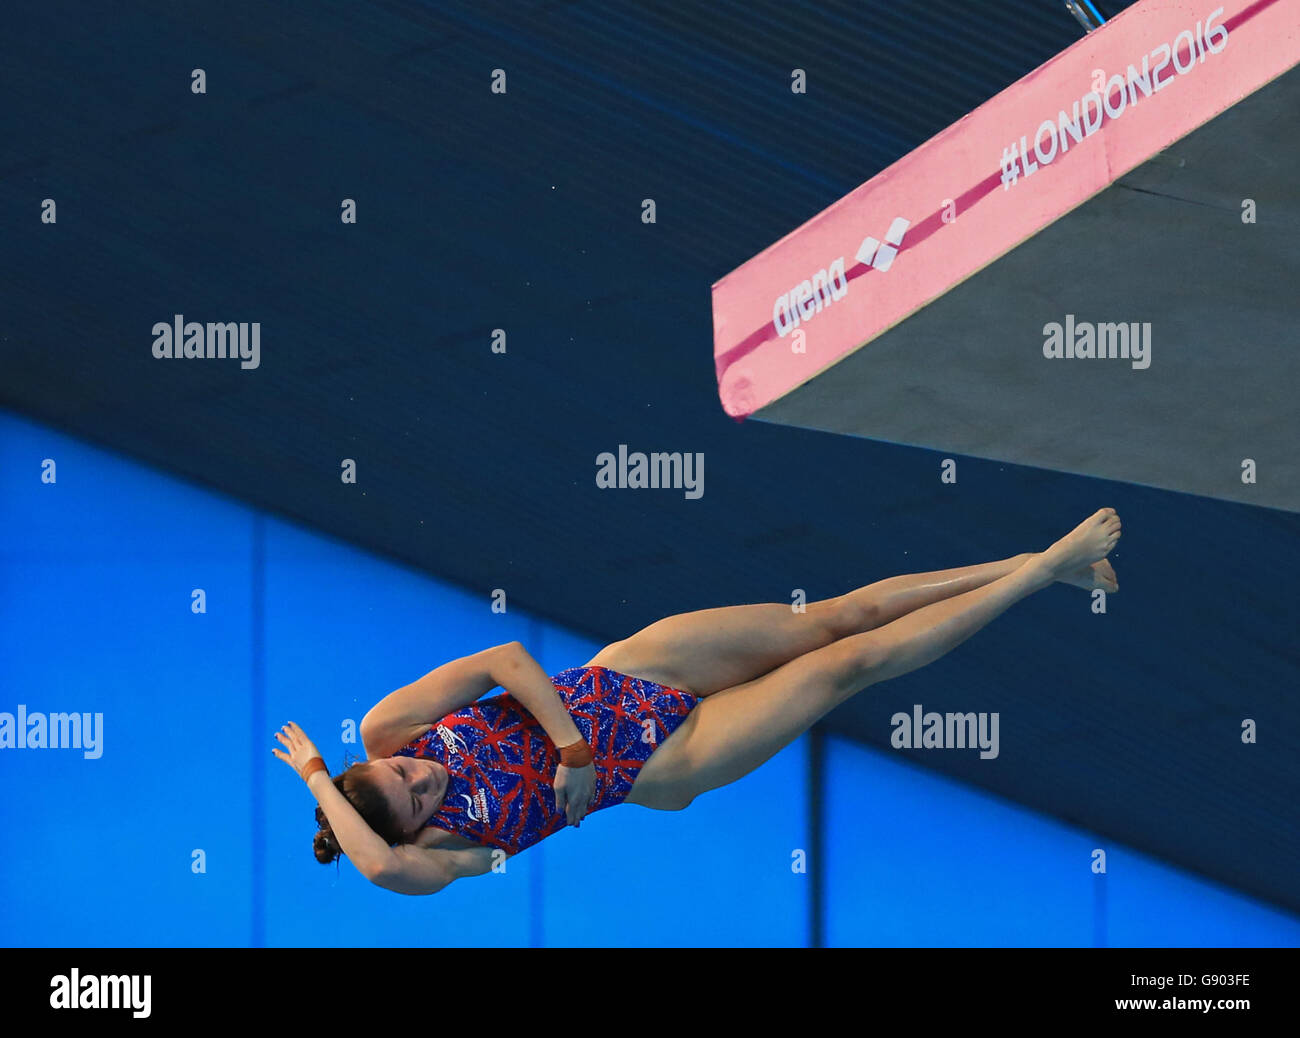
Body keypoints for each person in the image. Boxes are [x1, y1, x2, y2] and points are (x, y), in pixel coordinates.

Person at [273, 508, 1121, 895]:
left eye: (411, 772)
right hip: (664, 759)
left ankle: (1030, 557)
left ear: (379, 755)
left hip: (636, 672)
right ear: (415, 829)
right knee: (849, 666)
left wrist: (569, 752)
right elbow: (378, 863)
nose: (427, 782)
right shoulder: (436, 854)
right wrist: (314, 778)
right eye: (418, 800)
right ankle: (1045, 571)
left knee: (835, 617)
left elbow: (506, 657)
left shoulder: (392, 725)